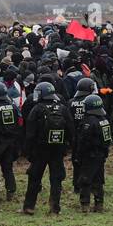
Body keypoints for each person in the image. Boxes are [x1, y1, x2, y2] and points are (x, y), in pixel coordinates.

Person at [22, 81, 71, 215]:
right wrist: (67, 147)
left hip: (40, 150)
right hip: (58, 149)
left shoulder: (37, 109)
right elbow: (70, 130)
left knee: (34, 178)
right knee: (56, 179)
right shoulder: (63, 108)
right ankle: (55, 207)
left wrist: (28, 151)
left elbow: (30, 133)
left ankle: (29, 206)